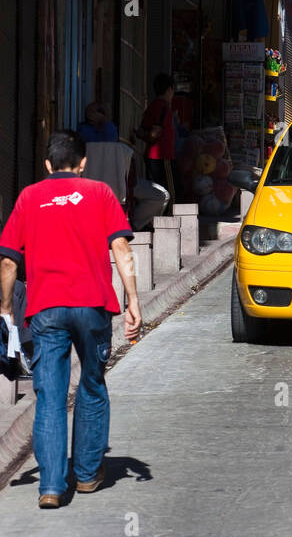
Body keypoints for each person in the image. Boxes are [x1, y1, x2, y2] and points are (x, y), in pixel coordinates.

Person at [0, 130, 141, 508]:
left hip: (45, 309)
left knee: (49, 397)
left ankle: (50, 486)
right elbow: (122, 248)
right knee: (92, 386)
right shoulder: (100, 193)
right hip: (92, 306)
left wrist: (6, 311)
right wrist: (133, 301)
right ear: (83, 163)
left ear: (47, 165)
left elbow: (9, 259)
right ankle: (86, 475)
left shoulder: (30, 197)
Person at [137, 73, 177, 204]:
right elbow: (155, 132)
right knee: (169, 190)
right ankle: (170, 217)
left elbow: (142, 130)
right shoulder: (163, 107)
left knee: (154, 190)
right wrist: (150, 137)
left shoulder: (151, 107)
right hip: (162, 157)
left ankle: (154, 218)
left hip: (150, 156)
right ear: (169, 89)